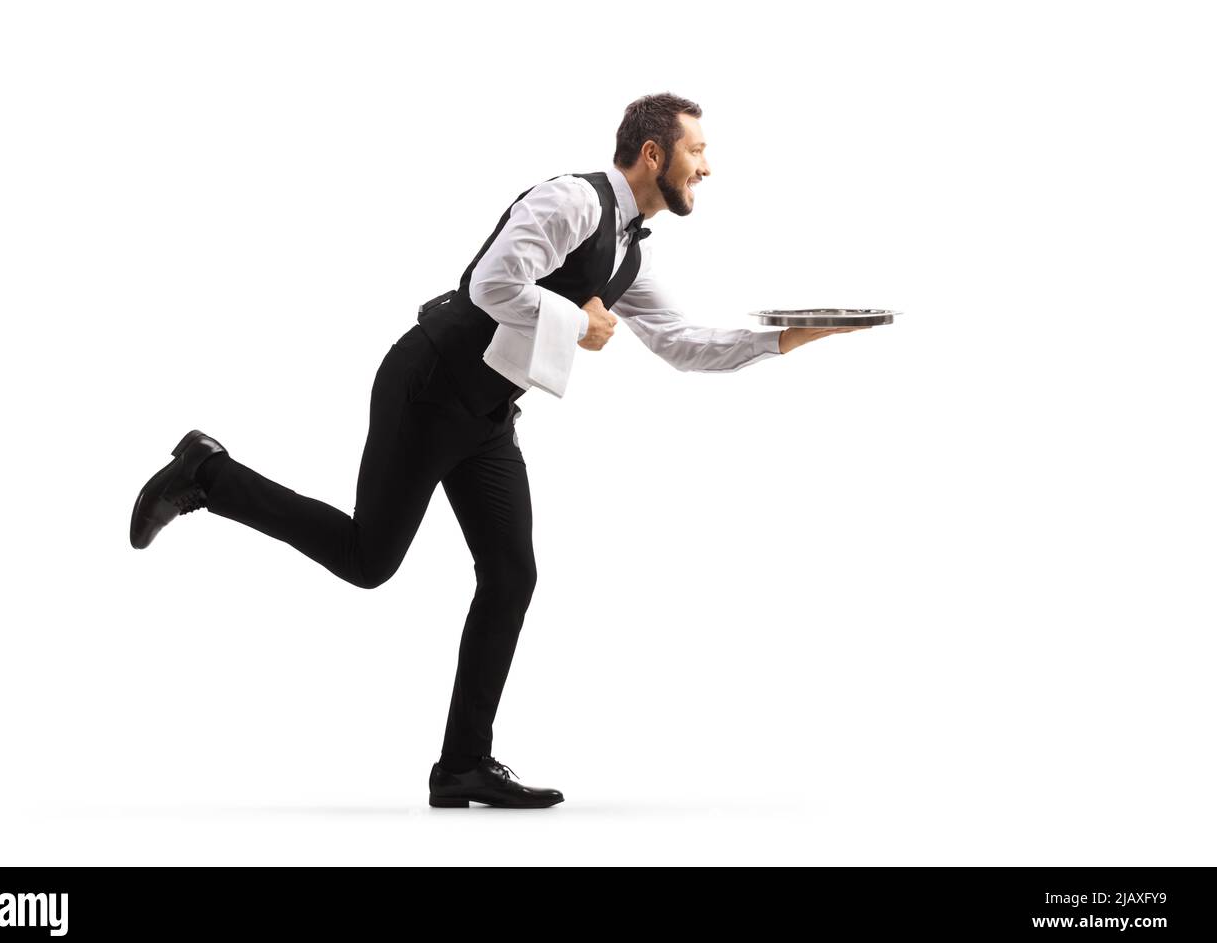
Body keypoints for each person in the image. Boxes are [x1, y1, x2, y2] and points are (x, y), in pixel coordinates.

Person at [128, 92, 868, 810]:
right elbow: (489, 285)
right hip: (427, 386)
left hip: (485, 415)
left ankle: (461, 766)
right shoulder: (571, 203)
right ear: (654, 153)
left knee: (511, 575)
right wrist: (577, 323)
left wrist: (789, 336)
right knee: (367, 561)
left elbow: (683, 345)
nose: (707, 167)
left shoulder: (628, 254)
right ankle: (208, 473)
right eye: (697, 150)